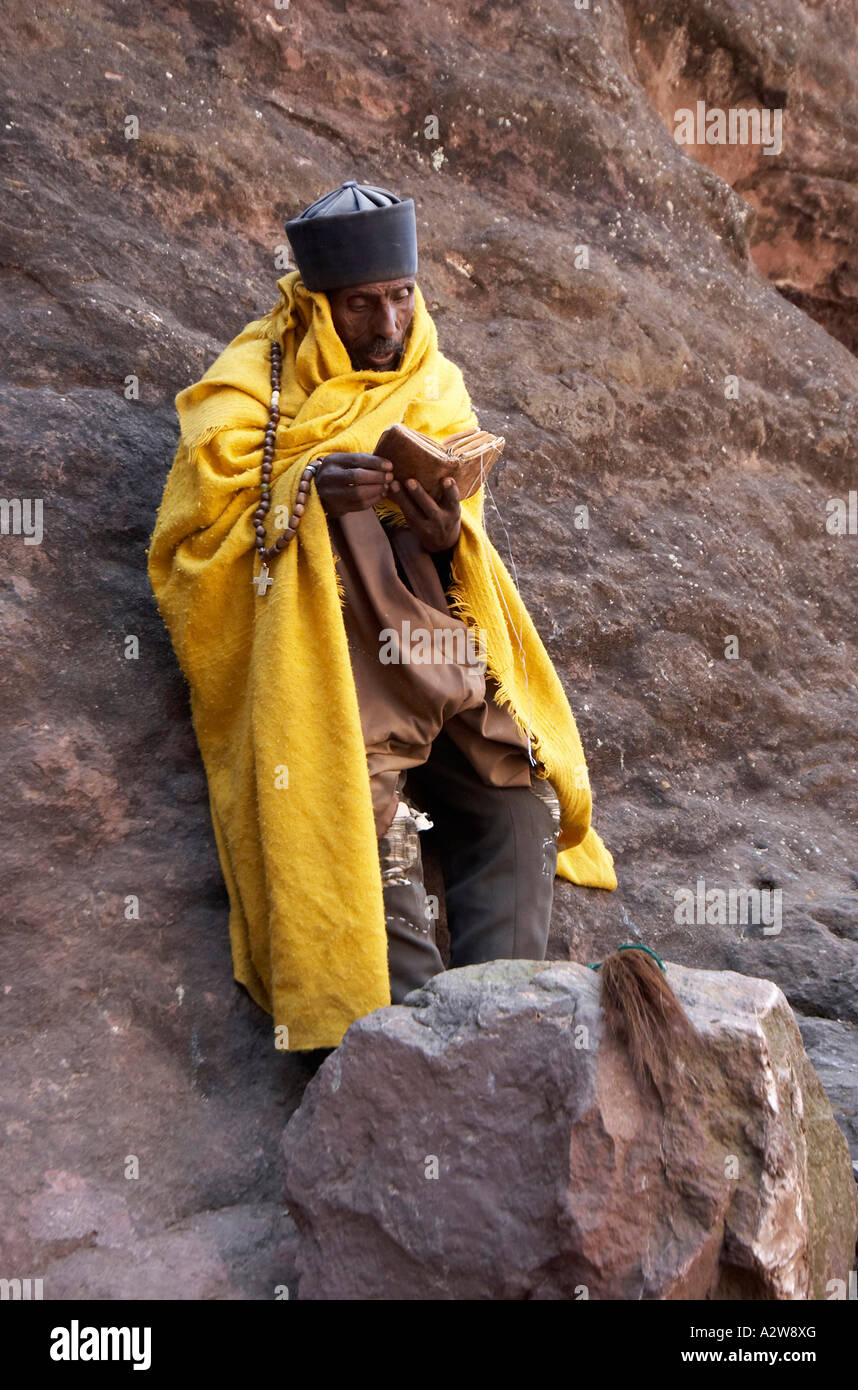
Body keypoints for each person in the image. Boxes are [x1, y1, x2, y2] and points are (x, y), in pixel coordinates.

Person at [147, 179, 616, 1055]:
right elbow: (191, 539)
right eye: (362, 305)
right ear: (318, 305)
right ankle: (408, 1055)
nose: (389, 324)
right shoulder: (247, 388)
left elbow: (461, 543)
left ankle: (502, 1036)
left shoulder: (433, 374)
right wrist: (303, 491)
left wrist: (445, 531)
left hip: (430, 652)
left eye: (401, 297)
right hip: (329, 671)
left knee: (517, 807)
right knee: (364, 829)